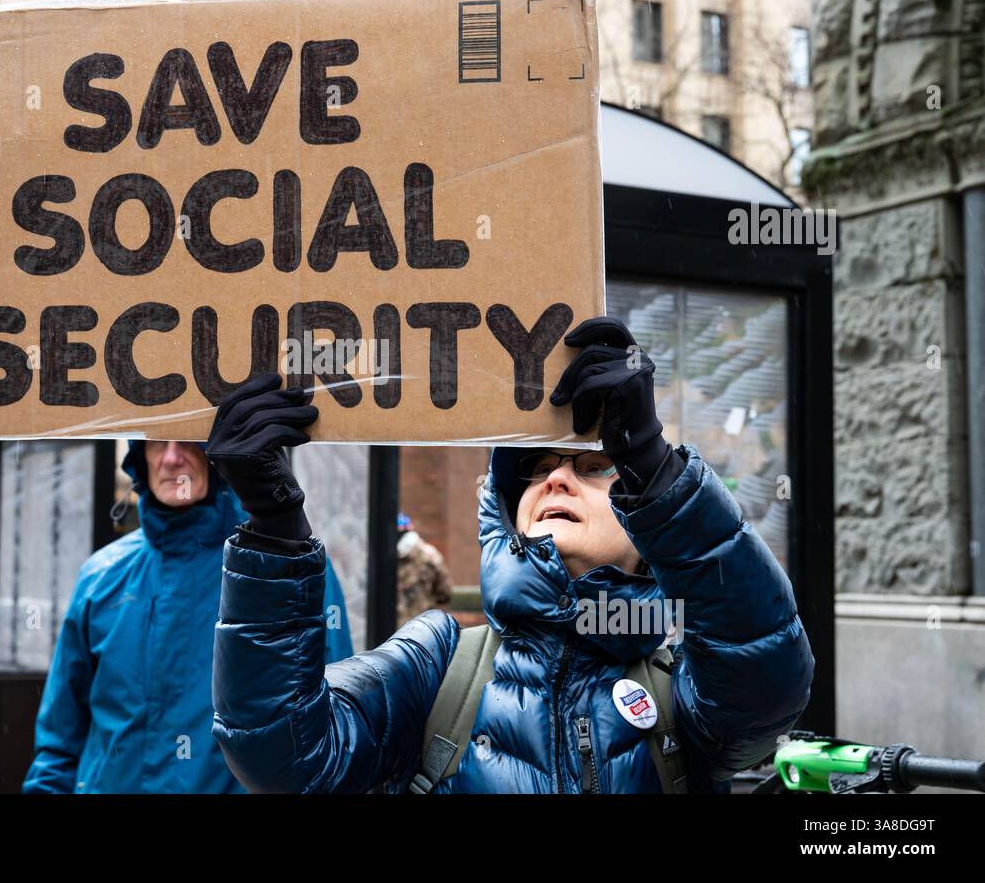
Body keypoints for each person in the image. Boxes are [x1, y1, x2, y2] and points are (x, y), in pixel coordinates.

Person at [208, 317, 815, 793]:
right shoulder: (438, 663)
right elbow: (286, 758)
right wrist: (274, 530)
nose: (555, 481)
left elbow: (767, 675)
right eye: (539, 469)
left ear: (644, 523)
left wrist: (655, 464)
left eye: (594, 467)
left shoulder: (683, 690)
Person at [22, 439, 353, 793]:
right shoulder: (100, 575)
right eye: (156, 444)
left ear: (214, 455)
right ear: (138, 459)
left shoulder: (283, 567)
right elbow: (60, 741)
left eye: (187, 443)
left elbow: (334, 717)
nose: (171, 458)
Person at [395, 513, 452, 628]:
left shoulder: (380, 558)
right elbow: (445, 592)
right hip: (422, 628)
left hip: (389, 633)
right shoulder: (429, 555)